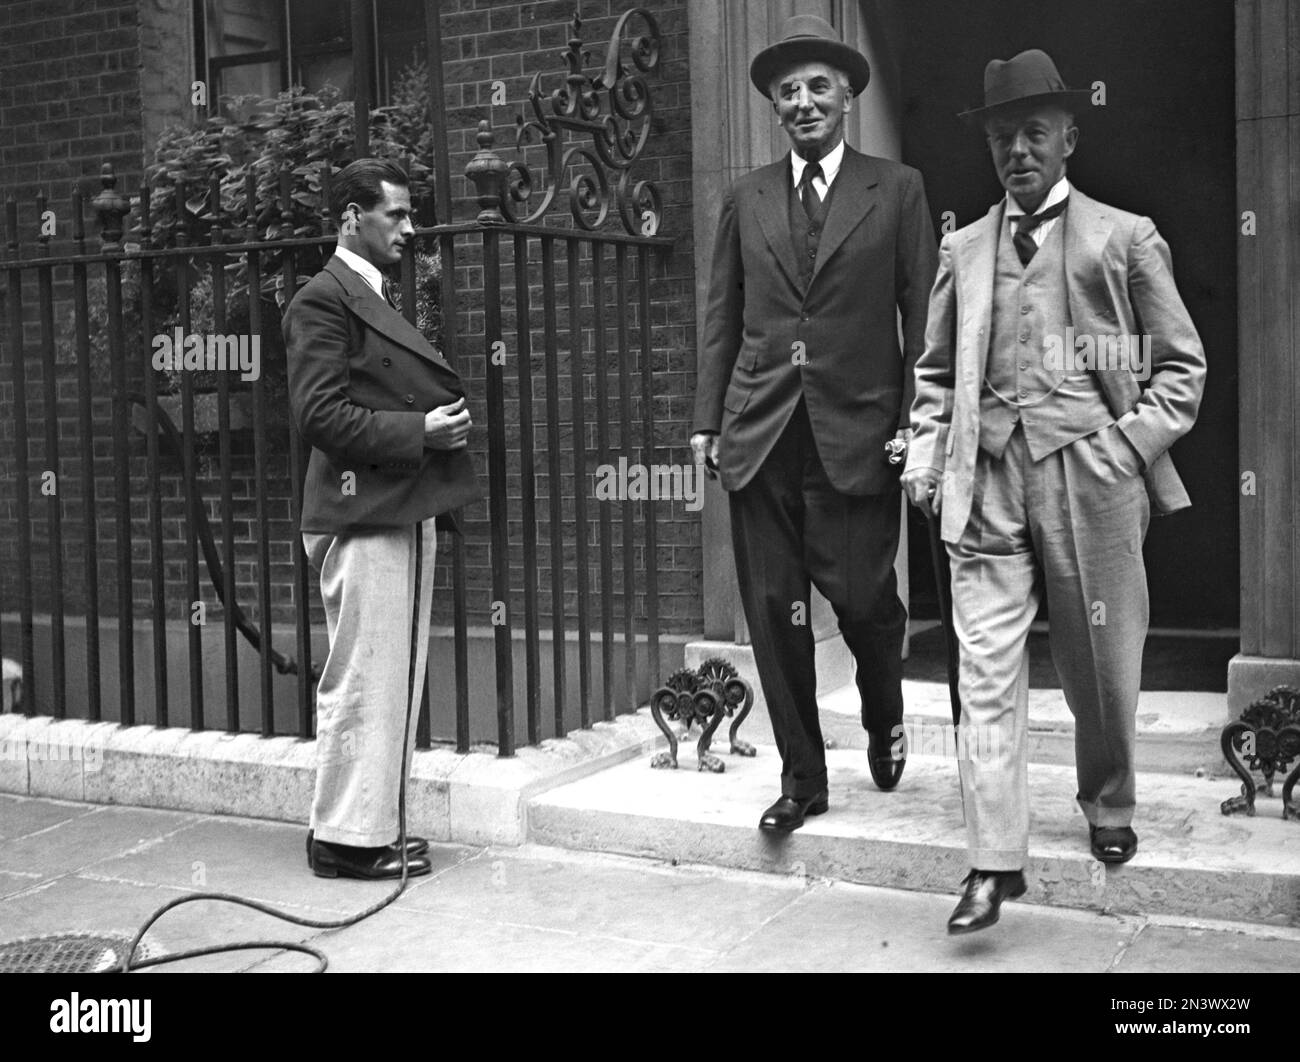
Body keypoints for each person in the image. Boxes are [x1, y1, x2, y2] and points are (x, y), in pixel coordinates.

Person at [901, 50, 1206, 933]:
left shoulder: (1124, 236)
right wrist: (928, 453)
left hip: (1090, 476)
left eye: (1035, 132)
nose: (1017, 150)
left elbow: (1180, 369)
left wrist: (1123, 448)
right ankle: (993, 863)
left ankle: (1108, 797)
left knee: (1099, 668)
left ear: (1070, 136)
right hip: (987, 480)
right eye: (1002, 136)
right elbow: (932, 376)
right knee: (985, 673)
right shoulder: (963, 248)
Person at [692, 15, 938, 832]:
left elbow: (920, 317)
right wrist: (706, 421)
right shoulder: (747, 197)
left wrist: (914, 419)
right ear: (775, 104)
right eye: (788, 91)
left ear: (847, 97)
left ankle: (883, 708)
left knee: (866, 600)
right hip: (759, 431)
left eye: (818, 88)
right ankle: (803, 779)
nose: (803, 102)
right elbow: (722, 315)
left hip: (859, 431)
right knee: (772, 610)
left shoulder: (896, 188)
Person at [285, 158, 481, 879]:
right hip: (358, 513)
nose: (410, 227)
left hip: (395, 506)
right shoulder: (323, 298)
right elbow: (319, 414)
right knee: (363, 676)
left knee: (390, 674)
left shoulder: (368, 292)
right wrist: (420, 433)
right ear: (349, 217)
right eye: (395, 214)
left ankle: (374, 827)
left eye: (409, 213)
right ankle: (344, 839)